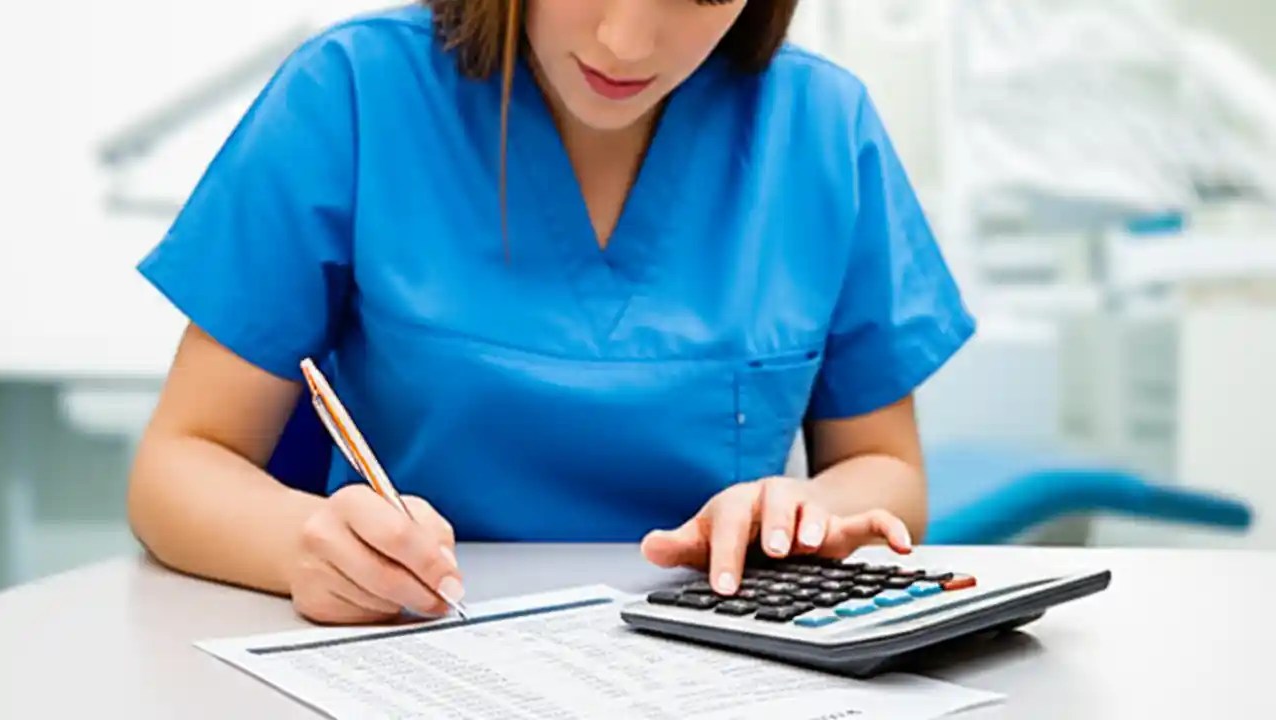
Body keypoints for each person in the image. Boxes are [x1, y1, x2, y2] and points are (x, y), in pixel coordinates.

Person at [127, 0, 975, 626]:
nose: (627, 42)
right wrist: (302, 543)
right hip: (406, 647)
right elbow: (179, 463)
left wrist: (803, 514)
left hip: (721, 669)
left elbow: (885, 471)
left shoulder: (822, 127)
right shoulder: (350, 93)